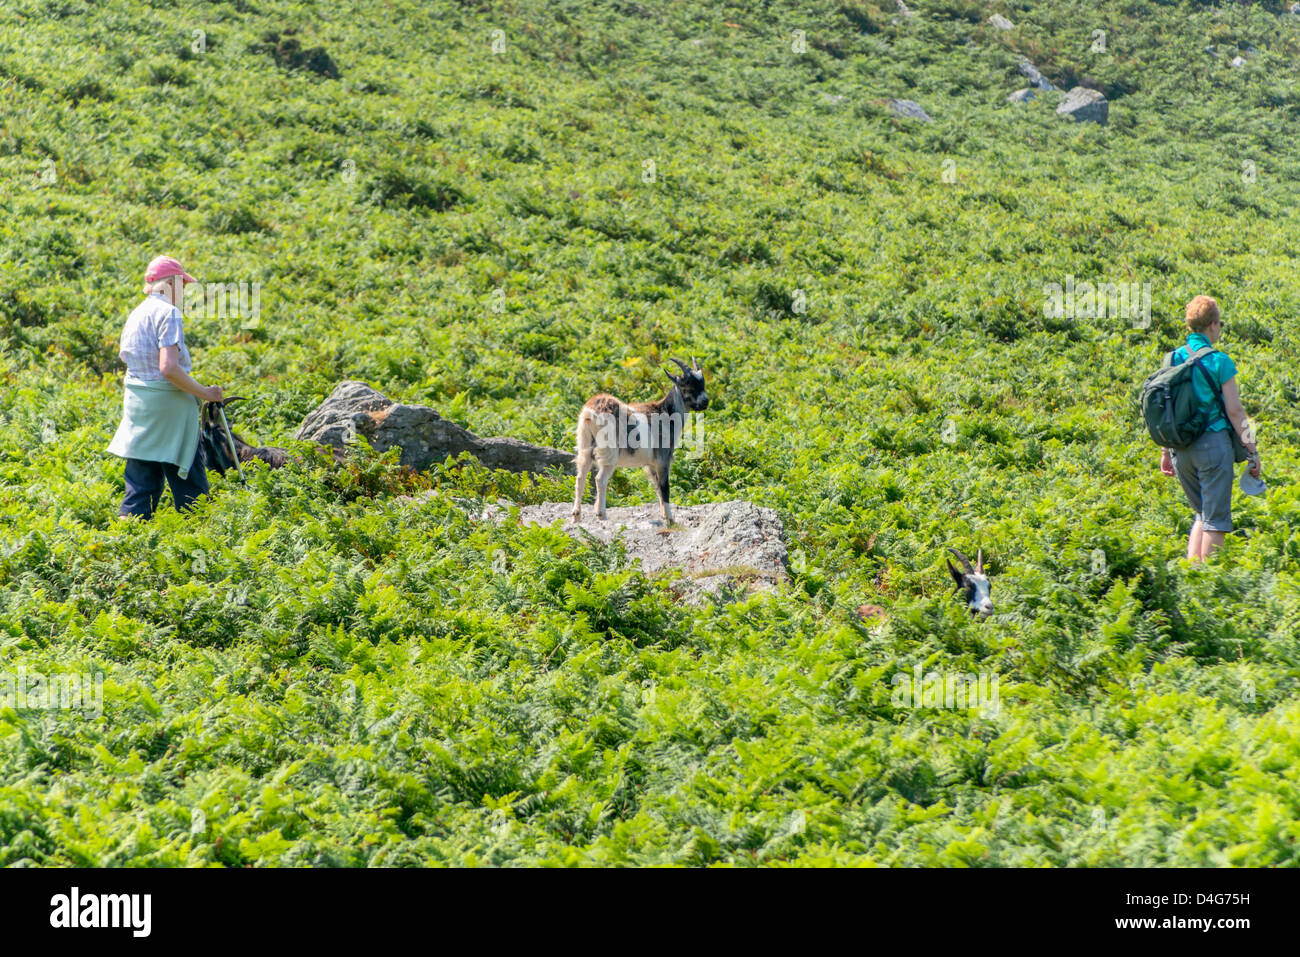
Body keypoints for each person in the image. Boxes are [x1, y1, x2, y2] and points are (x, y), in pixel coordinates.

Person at [107, 256, 224, 518]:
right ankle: (198, 540)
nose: (183, 290)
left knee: (140, 483)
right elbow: (168, 368)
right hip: (169, 409)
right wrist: (205, 393)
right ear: (170, 283)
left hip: (139, 406)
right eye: (182, 283)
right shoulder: (169, 313)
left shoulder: (137, 313)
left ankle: (127, 544)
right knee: (189, 482)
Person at [1159, 295, 1260, 562]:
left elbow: (1165, 411)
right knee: (1216, 522)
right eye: (1220, 324)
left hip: (1180, 451)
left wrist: (1165, 453)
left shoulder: (1173, 359)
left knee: (1202, 515)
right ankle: (1209, 587)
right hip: (1213, 449)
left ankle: (1193, 583)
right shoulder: (1220, 361)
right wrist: (1252, 450)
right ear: (1213, 325)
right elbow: (1236, 411)